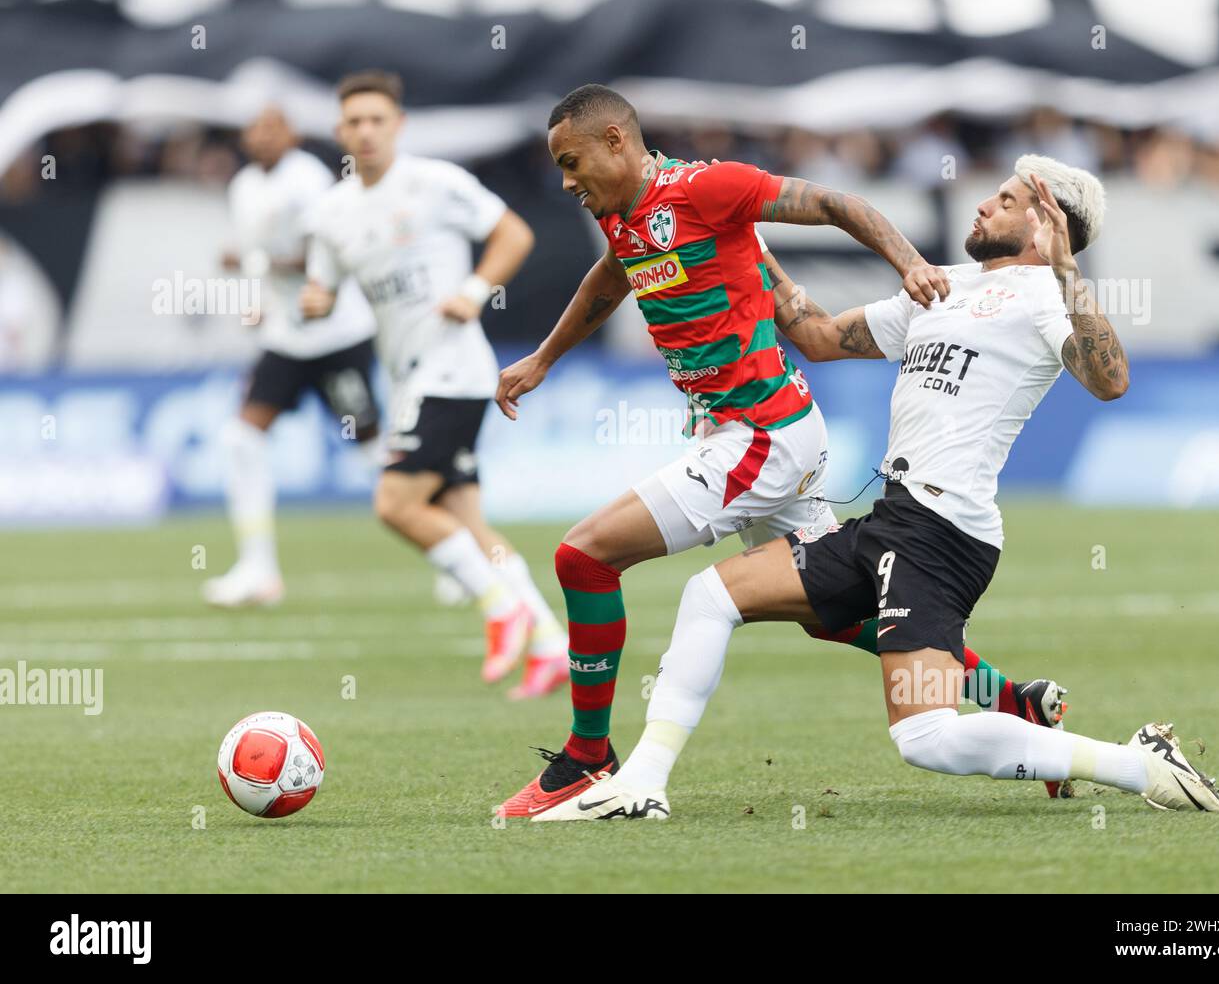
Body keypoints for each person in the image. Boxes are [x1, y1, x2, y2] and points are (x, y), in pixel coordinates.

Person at [536, 156, 1219, 820]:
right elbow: (816, 337)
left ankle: (1138, 765)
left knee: (925, 736)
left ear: (1049, 226)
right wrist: (748, 249)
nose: (986, 202)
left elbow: (1111, 381)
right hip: (887, 523)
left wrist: (1069, 274)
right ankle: (643, 783)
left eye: (1010, 200)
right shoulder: (947, 286)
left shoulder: (1047, 300)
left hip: (940, 537)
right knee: (710, 595)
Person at [495, 85, 1066, 817]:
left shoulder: (708, 186)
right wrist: (544, 359)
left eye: (573, 162)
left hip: (760, 437)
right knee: (833, 608)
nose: (568, 182)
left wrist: (908, 264)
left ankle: (587, 758)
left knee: (584, 556)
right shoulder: (624, 216)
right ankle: (1012, 701)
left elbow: (834, 204)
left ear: (615, 141)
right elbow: (613, 275)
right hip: (761, 434)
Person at [302, 71, 568, 699]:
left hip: (453, 369)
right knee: (469, 523)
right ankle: (553, 644)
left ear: (398, 125)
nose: (366, 131)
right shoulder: (332, 214)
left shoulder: (436, 184)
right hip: (406, 379)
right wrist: (312, 302)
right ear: (340, 132)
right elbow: (322, 289)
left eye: (377, 119)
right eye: (354, 122)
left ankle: (498, 605)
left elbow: (514, 233)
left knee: (395, 504)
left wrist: (473, 292)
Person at [203, 106, 379, 607]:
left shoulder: (307, 178)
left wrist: (251, 263)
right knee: (241, 438)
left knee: (371, 449)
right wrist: (257, 302)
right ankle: (258, 570)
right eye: (253, 127)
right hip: (286, 338)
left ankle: (450, 556)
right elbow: (264, 262)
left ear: (292, 134)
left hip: (335, 333)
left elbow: (322, 254)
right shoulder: (243, 186)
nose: (260, 136)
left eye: (270, 126)